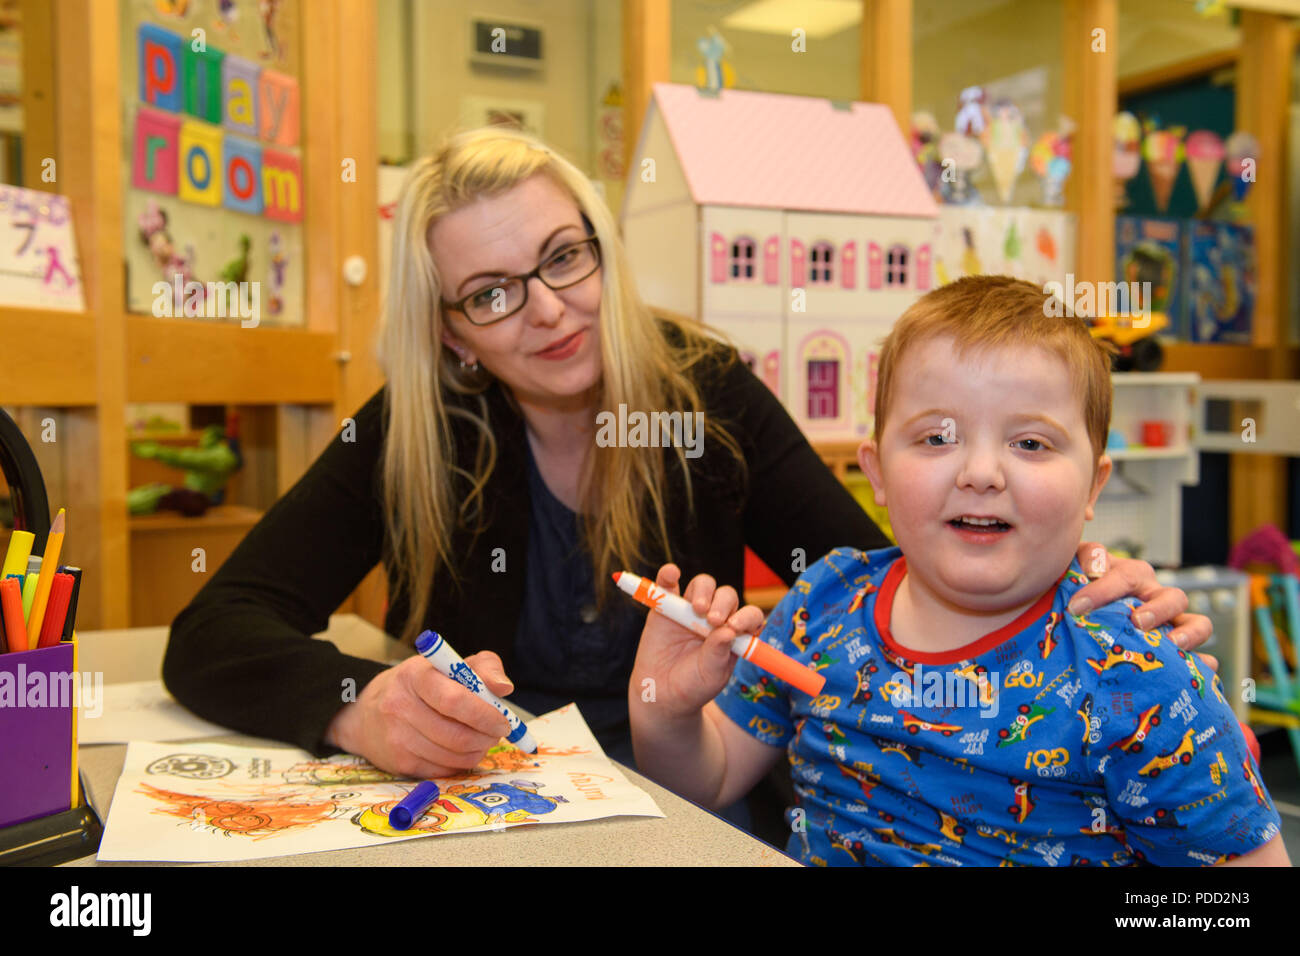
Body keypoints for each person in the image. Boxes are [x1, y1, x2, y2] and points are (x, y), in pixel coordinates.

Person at [163, 127, 1208, 828]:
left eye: (563, 257)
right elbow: (216, 627)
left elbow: (895, 569)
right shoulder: (416, 430)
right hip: (486, 811)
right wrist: (356, 702)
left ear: (604, 252)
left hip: (697, 803)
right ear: (451, 334)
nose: (546, 309)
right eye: (489, 292)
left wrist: (1077, 590)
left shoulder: (707, 392)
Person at [629, 275, 1288, 866]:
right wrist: (666, 714)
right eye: (937, 437)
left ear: (1094, 485)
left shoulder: (1137, 672)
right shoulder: (822, 601)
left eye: (1030, 443)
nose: (979, 472)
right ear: (878, 472)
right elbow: (709, 783)